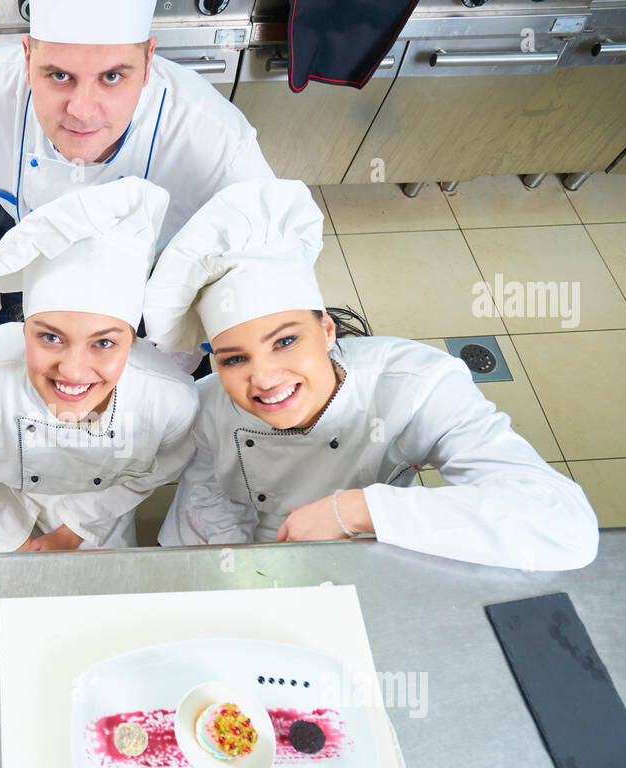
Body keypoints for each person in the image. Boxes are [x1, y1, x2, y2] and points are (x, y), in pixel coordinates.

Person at [144, 179, 599, 571]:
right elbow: (207, 502)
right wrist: (248, 568)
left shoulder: (418, 386)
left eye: (285, 342)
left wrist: (357, 511)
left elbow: (563, 524)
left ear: (325, 330)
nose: (262, 378)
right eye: (233, 358)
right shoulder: (208, 404)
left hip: (365, 543)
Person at [0, 0, 274, 350]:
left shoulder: (212, 135)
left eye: (112, 77)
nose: (82, 111)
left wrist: (202, 328)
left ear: (149, 61)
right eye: (60, 76)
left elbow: (267, 252)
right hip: (16, 227)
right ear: (28, 57)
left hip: (154, 262)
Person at [0, 178, 197, 553]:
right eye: (50, 337)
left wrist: (73, 529)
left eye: (103, 342)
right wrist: (17, 539)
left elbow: (161, 466)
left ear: (133, 341)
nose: (73, 370)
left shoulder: (170, 400)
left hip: (99, 509)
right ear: (23, 327)